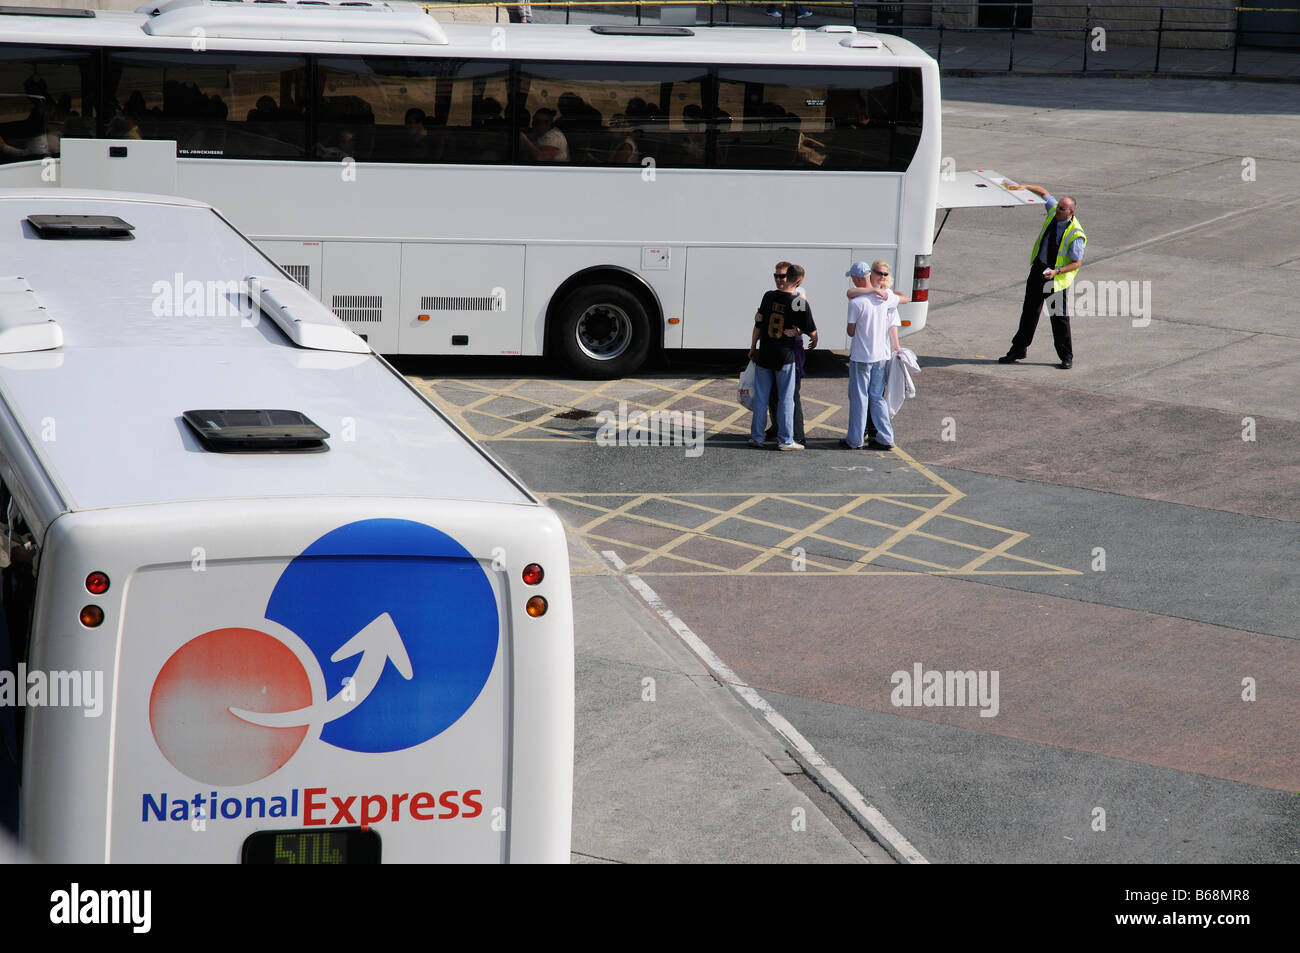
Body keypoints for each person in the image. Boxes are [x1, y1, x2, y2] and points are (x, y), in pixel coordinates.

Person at [998, 184, 1087, 370]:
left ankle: (1066, 356)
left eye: (1062, 208)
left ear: (1071, 211)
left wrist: (1057, 272)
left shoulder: (1076, 234)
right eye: (1058, 206)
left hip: (1055, 277)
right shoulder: (1054, 212)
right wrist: (1024, 186)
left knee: (1058, 317)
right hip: (1039, 270)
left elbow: (1077, 263)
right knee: (1029, 311)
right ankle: (1018, 349)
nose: (1057, 210)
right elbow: (1044, 193)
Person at [749, 262, 815, 450]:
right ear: (799, 281)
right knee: (787, 398)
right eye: (776, 276)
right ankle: (786, 440)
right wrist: (805, 334)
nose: (779, 279)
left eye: (782, 276)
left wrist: (753, 347)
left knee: (762, 398)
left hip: (766, 354)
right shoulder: (798, 301)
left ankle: (757, 437)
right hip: (785, 356)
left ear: (791, 278)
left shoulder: (768, 296)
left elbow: (759, 323)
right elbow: (812, 330)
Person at [846, 261, 909, 444]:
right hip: (881, 356)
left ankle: (855, 439)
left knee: (859, 398)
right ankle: (886, 438)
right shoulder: (887, 297)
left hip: (861, 356)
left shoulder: (856, 302)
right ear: (871, 274)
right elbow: (905, 299)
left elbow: (850, 331)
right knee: (877, 398)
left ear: (857, 278)